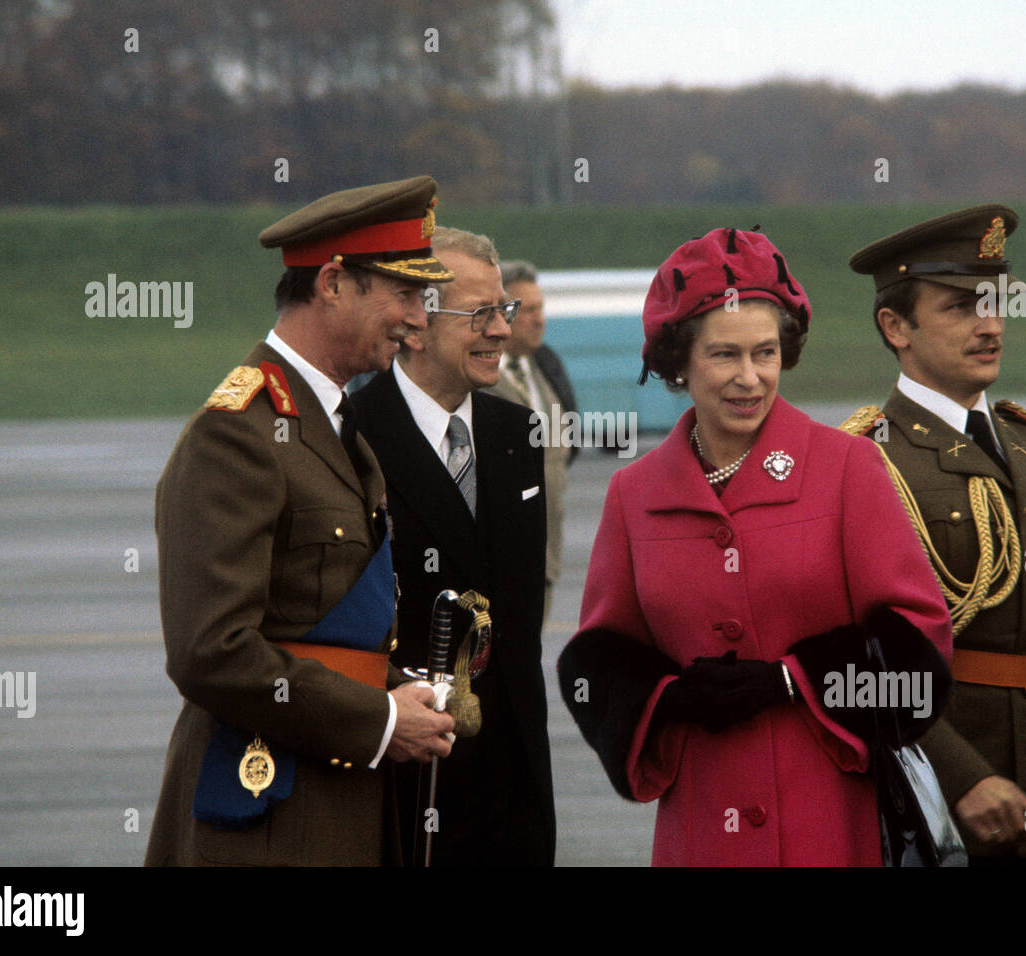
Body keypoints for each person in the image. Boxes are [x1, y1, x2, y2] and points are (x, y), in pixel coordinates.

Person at [557, 227, 954, 866]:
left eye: (765, 353)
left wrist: (792, 681)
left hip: (831, 824)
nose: (750, 378)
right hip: (702, 830)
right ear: (678, 362)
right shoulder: (634, 493)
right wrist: (672, 697)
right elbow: (596, 666)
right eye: (724, 356)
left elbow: (918, 652)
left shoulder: (848, 468)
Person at [145, 177, 457, 866]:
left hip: (335, 800)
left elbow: (325, 628)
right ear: (335, 283)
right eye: (404, 295)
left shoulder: (335, 427)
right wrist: (376, 721)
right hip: (268, 815)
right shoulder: (238, 435)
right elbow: (211, 649)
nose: (418, 321)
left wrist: (396, 691)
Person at [845, 204, 1026, 865]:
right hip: (949, 803)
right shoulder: (865, 461)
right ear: (896, 326)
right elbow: (863, 654)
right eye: (959, 308)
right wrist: (962, 776)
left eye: (995, 303)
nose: (990, 326)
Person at [351, 227, 555, 866]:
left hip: (511, 786)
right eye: (481, 314)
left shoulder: (516, 431)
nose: (501, 330)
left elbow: (519, 629)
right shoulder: (353, 439)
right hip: (403, 783)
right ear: (414, 326)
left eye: (506, 310)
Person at [484, 260, 578, 619]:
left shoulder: (546, 365)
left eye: (542, 309)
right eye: (530, 310)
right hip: (498, 559)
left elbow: (565, 445)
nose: (540, 319)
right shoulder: (478, 377)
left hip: (546, 555)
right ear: (502, 314)